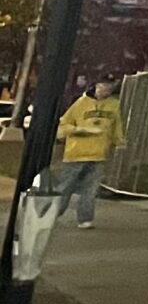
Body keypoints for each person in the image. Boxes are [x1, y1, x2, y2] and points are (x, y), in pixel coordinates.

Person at [53, 78, 124, 228]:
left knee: (90, 190)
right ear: (97, 85)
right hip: (75, 154)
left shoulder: (114, 104)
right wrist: (82, 130)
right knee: (65, 187)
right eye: (104, 85)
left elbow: (117, 125)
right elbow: (64, 124)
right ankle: (52, 214)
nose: (107, 89)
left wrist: (119, 142)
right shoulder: (80, 103)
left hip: (99, 154)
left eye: (110, 87)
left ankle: (85, 218)